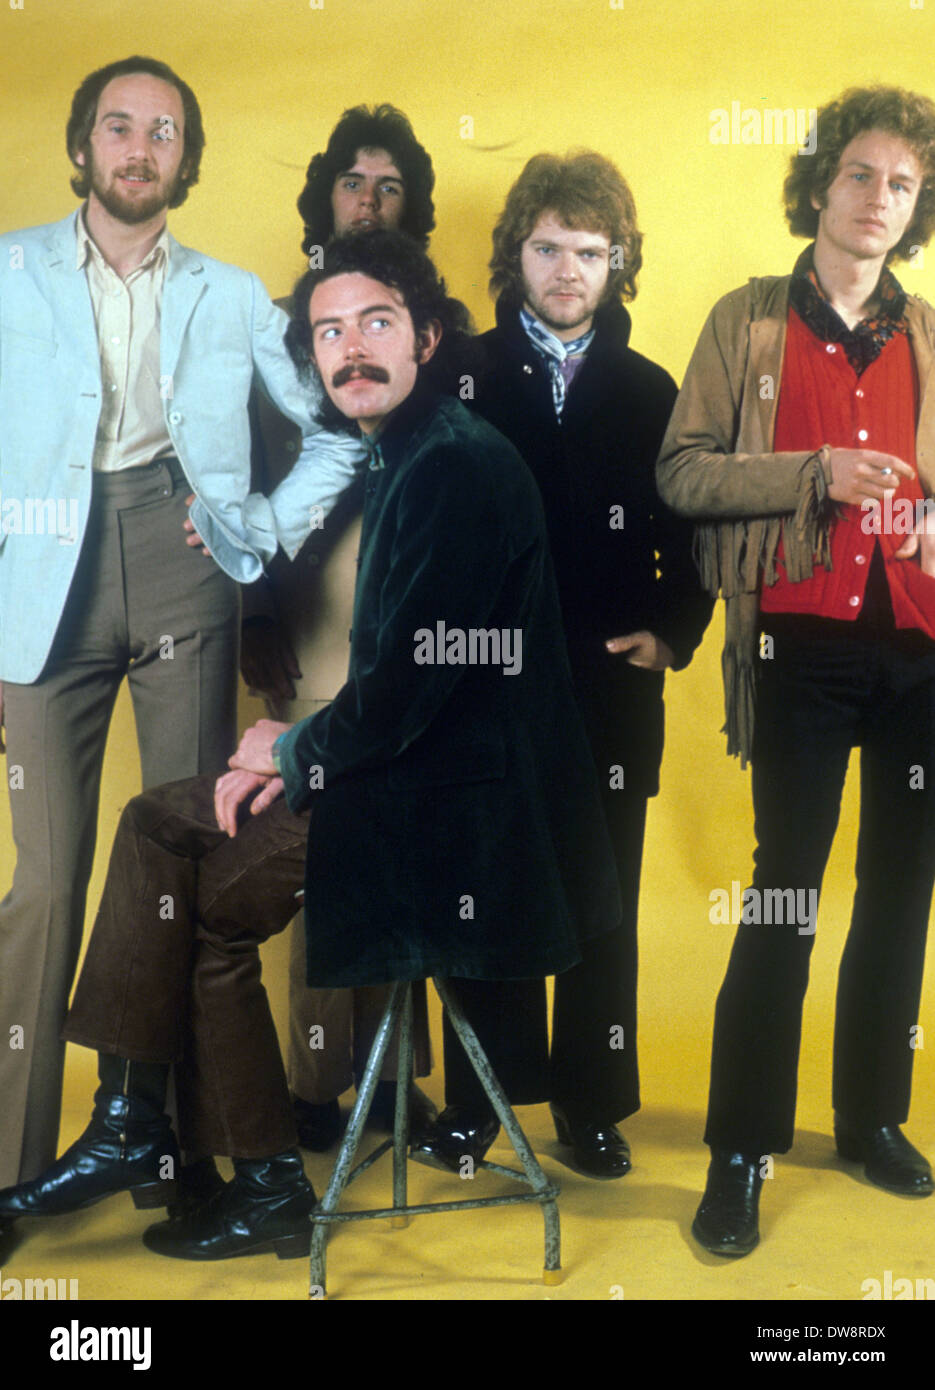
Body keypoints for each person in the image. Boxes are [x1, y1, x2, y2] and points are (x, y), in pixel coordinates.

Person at [0, 229, 620, 1262]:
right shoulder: (402, 453)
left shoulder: (452, 468)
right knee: (159, 823)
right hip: (409, 772)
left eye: (375, 322)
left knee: (199, 888)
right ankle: (137, 1121)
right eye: (327, 332)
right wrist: (290, 750)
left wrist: (284, 754)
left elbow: (412, 690)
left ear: (425, 334)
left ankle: (243, 1167)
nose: (349, 350)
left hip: (458, 813)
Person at [0, 53, 363, 1243]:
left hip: (182, 557)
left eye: (163, 131)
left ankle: (182, 1152)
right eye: (119, 126)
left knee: (189, 856)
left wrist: (255, 531)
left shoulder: (234, 293)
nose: (139, 147)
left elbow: (337, 432)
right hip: (39, 566)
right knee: (49, 879)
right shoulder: (7, 274)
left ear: (183, 161)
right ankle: (12, 1167)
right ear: (83, 148)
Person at [657, 85, 935, 1257]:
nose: (879, 200)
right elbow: (680, 472)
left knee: (900, 890)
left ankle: (867, 1115)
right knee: (783, 892)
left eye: (904, 186)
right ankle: (738, 1147)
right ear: (821, 183)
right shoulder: (748, 321)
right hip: (796, 645)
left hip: (918, 648)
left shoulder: (927, 329)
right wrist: (809, 469)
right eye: (862, 175)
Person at [413, 153, 711, 1178]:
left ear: (618, 261)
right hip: (480, 683)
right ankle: (478, 1104)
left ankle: (591, 1100)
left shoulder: (649, 387)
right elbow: (416, 527)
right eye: (547, 247)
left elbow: (694, 533)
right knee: (483, 894)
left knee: (600, 897)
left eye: (589, 250)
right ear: (513, 254)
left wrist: (673, 628)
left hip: (604, 689)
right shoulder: (458, 375)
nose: (567, 269)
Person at [241, 105, 439, 1151]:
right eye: (354, 183)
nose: (369, 200)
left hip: (407, 622)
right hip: (310, 616)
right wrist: (250, 614)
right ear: (325, 198)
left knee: (407, 844)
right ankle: (319, 1090)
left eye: (391, 186)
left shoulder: (434, 332)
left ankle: (397, 1081)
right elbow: (235, 483)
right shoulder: (279, 331)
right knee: (323, 855)